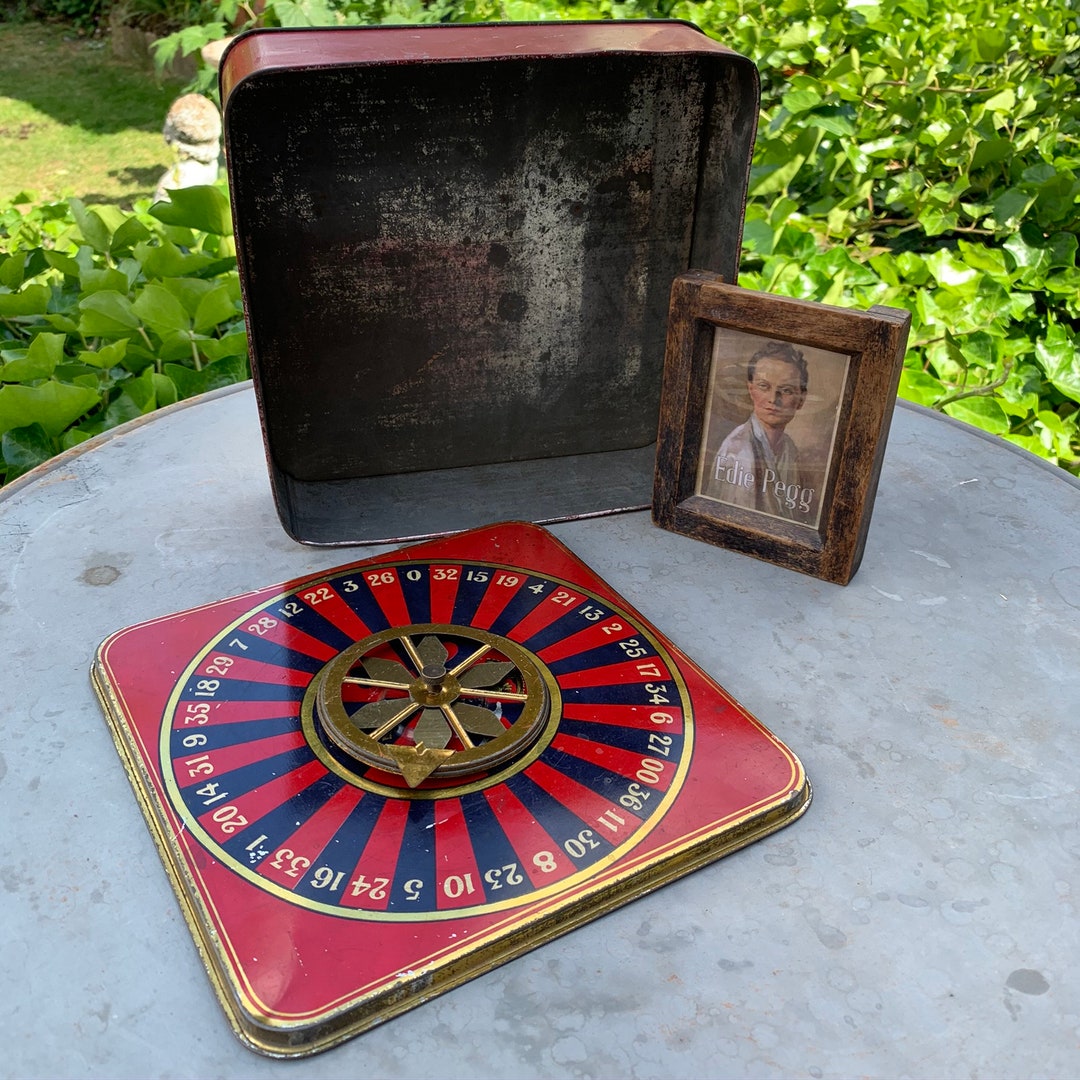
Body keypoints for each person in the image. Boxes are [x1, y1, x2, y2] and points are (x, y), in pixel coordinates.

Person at [710, 341, 816, 522]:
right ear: (751, 390)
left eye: (786, 390)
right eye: (764, 387)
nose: (773, 399)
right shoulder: (738, 449)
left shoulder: (789, 448)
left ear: (801, 399)